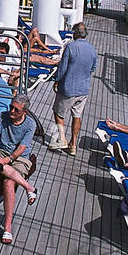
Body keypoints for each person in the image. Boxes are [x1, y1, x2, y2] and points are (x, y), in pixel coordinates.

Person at [0, 95, 36, 244]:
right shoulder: (1, 117)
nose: (12, 111)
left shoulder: (30, 124)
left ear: (24, 112)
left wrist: (7, 160)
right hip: (1, 152)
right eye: (11, 107)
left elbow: (22, 148)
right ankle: (29, 187)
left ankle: (7, 227)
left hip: (20, 158)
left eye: (16, 110)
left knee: (9, 183)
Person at [50, 22, 96, 156]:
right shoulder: (92, 49)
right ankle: (73, 144)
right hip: (83, 89)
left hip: (68, 88)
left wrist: (57, 81)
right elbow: (93, 68)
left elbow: (62, 68)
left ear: (75, 33)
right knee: (77, 115)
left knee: (58, 113)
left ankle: (62, 140)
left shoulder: (70, 47)